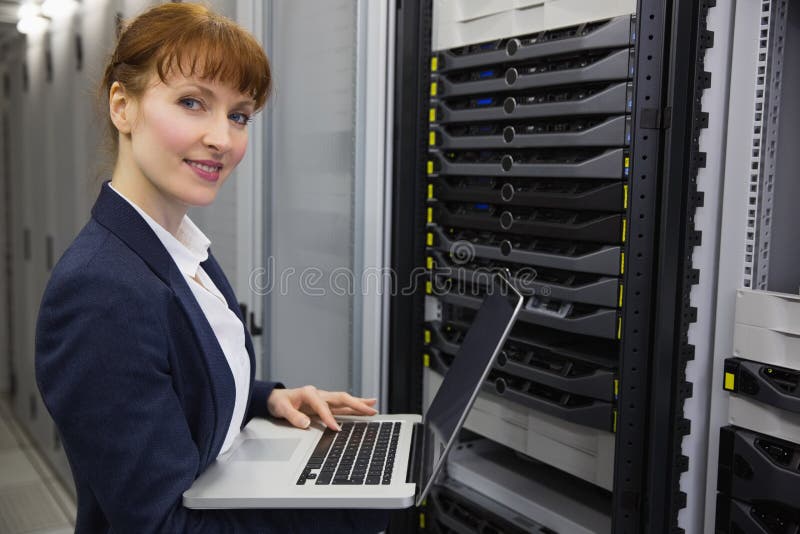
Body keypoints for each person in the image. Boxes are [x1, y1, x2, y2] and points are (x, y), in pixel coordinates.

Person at [35, 3, 389, 533]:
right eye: (192, 102)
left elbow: (178, 385)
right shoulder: (100, 290)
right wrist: (352, 510)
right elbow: (163, 526)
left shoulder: (180, 249)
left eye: (239, 115)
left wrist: (266, 397)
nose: (222, 139)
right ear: (122, 107)